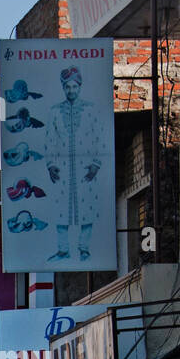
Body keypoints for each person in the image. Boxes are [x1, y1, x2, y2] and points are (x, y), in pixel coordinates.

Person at [43, 66, 106, 262]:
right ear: (63, 88)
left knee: (86, 211)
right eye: (67, 87)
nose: (71, 91)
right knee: (61, 213)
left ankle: (84, 249)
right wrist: (51, 165)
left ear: (80, 87)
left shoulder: (90, 109)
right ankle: (63, 250)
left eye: (74, 87)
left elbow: (100, 137)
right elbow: (49, 140)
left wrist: (96, 164)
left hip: (85, 169)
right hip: (62, 171)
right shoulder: (55, 112)